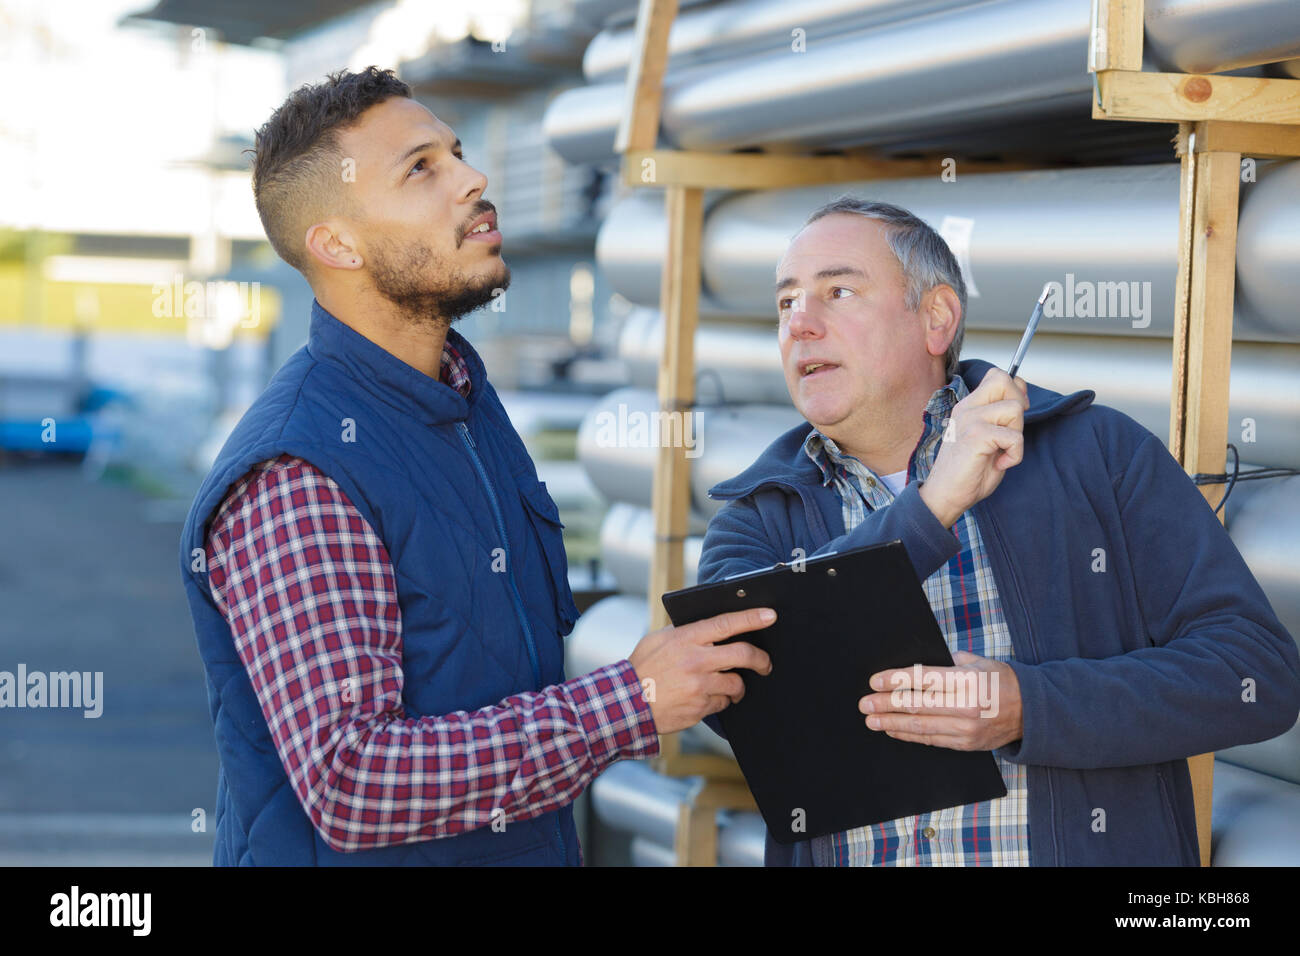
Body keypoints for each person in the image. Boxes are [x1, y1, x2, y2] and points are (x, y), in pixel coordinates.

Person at [178, 67, 773, 866]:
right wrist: (629, 701)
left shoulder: (461, 404)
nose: (473, 178)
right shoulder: (298, 469)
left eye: (456, 152)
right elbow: (354, 782)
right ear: (336, 243)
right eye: (421, 168)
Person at [697, 197, 1300, 866]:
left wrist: (1029, 706)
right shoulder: (756, 517)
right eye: (786, 304)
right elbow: (735, 704)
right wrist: (928, 512)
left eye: (837, 291)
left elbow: (1255, 676)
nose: (801, 324)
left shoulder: (1099, 457)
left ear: (936, 318)